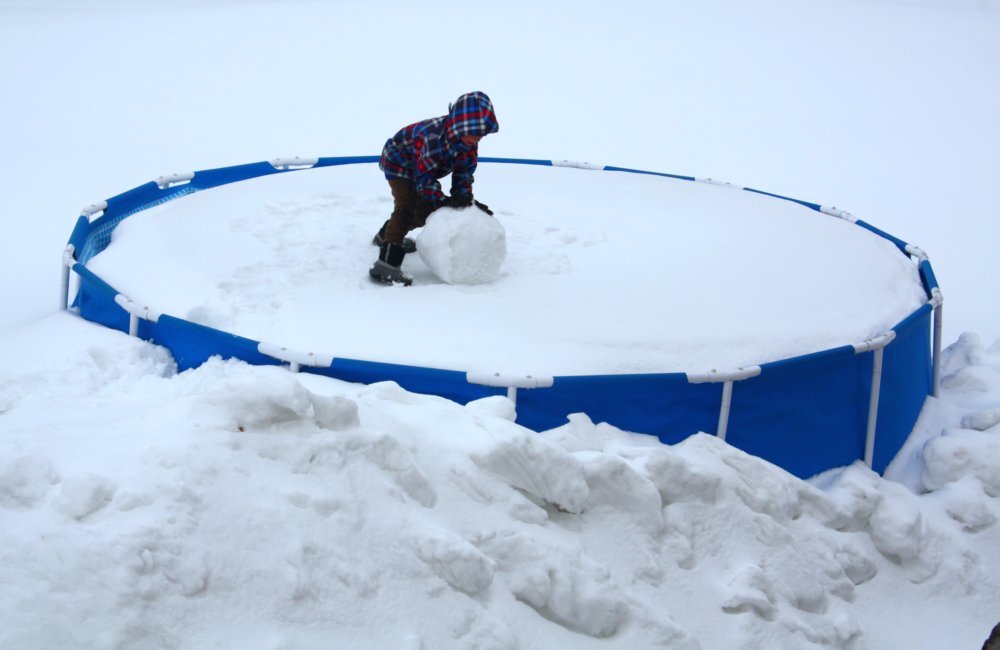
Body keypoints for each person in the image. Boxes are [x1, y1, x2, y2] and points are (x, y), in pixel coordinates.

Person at [369, 91, 500, 285]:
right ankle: (386, 264)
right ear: (460, 127)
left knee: (426, 210)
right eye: (474, 134)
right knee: (406, 206)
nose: (477, 140)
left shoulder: (468, 143)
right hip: (398, 163)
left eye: (481, 136)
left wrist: (463, 198)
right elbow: (424, 179)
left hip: (421, 166)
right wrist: (443, 201)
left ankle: (385, 236)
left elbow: (463, 172)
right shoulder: (433, 138)